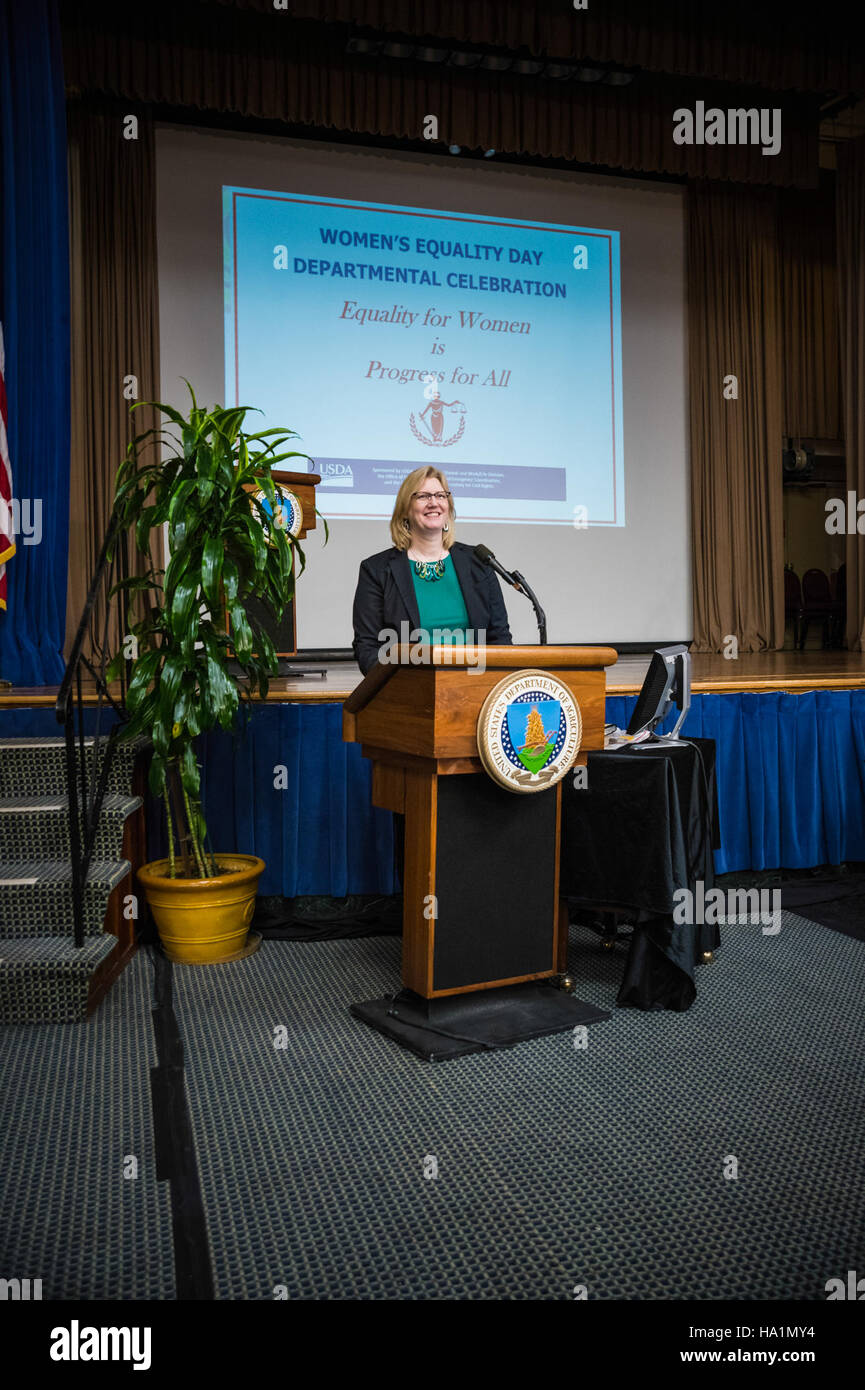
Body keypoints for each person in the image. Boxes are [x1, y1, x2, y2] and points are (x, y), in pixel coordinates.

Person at [352, 465, 513, 674]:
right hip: (410, 691)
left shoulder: (479, 563)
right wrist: (400, 688)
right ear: (405, 509)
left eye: (440, 495)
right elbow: (368, 646)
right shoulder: (376, 570)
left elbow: (499, 638)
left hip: (475, 687)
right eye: (423, 496)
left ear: (448, 506)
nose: (434, 503)